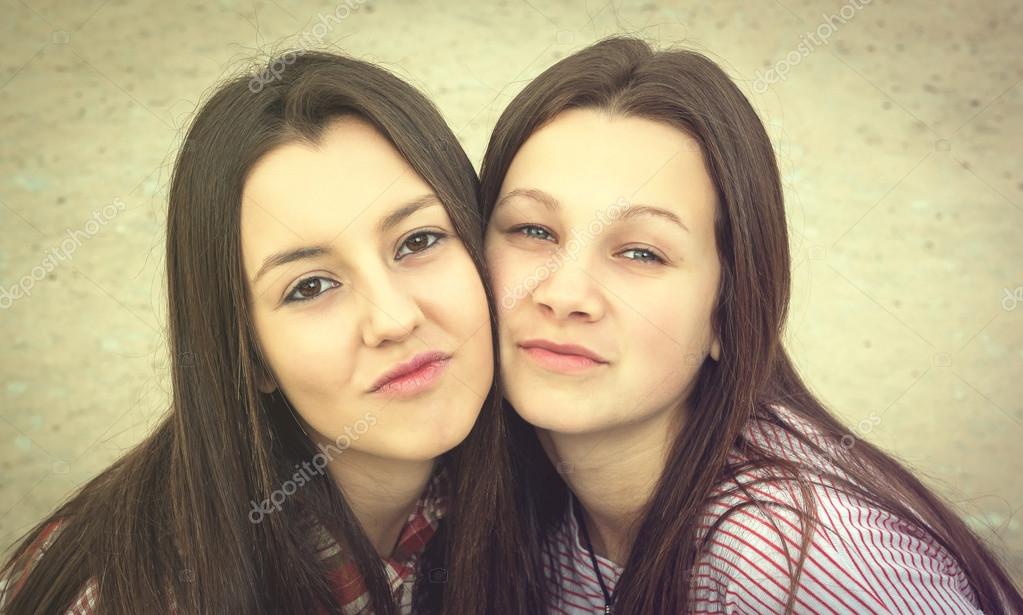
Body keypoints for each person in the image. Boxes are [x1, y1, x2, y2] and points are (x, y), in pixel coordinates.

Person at [480, 36, 1023, 614]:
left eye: (641, 253)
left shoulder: (803, 560)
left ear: (727, 310)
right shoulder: (529, 508)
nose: (564, 295)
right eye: (533, 231)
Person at [0, 50, 521, 615]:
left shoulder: (527, 489)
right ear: (251, 355)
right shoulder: (129, 595)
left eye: (417, 242)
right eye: (310, 287)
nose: (394, 320)